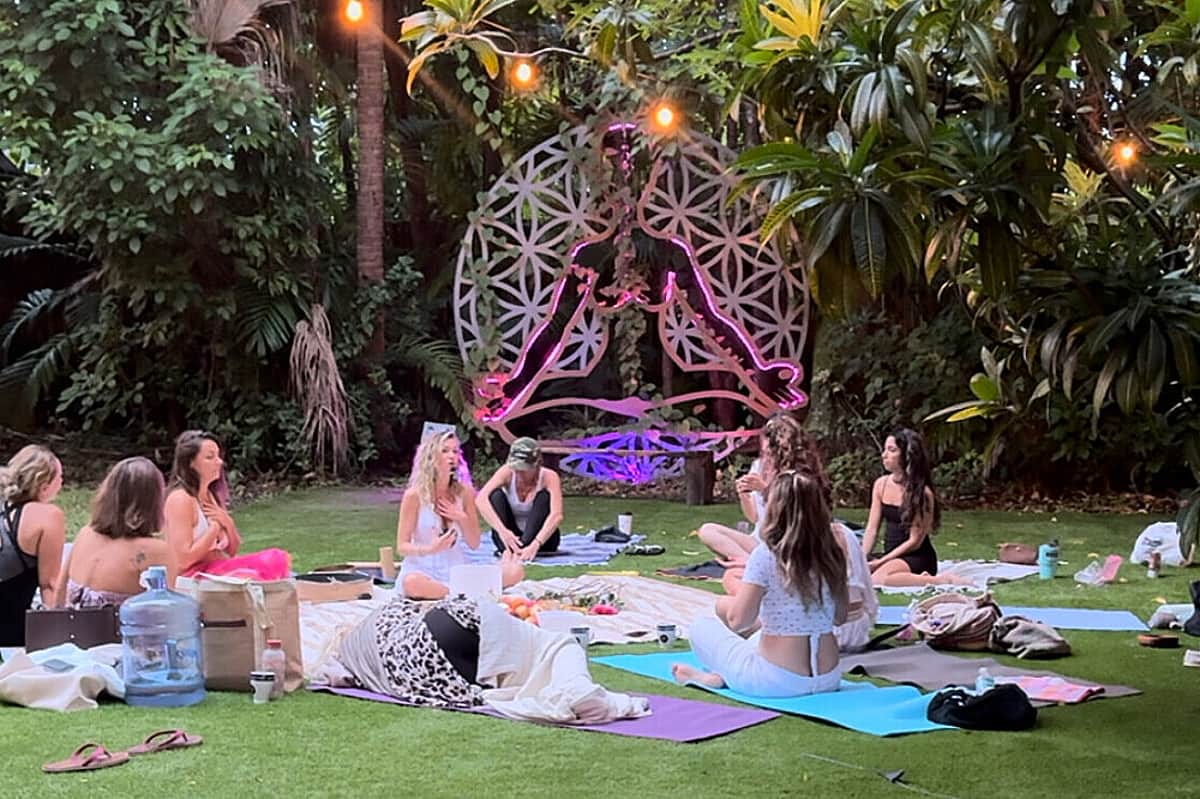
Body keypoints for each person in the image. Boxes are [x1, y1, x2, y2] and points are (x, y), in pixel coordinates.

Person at [325, 592, 649, 723]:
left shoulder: (357, 660)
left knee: (528, 663)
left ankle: (573, 688)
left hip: (434, 667)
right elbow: (417, 603)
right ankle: (578, 688)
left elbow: (336, 676)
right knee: (559, 644)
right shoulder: (384, 616)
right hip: (451, 626)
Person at [672, 470, 848, 697]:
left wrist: (722, 604)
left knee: (701, 626)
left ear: (776, 508)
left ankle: (718, 677)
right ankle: (720, 676)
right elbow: (840, 616)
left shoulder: (767, 555)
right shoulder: (833, 552)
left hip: (776, 681)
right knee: (759, 636)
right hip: (829, 678)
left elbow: (738, 621)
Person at [397, 431, 523, 599]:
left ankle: (461, 591)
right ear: (431, 456)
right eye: (445, 451)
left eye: (455, 451)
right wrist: (431, 548)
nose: (452, 456)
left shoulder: (464, 492)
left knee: (517, 572)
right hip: (422, 569)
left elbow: (474, 543)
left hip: (456, 569)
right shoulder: (414, 496)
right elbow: (402, 546)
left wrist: (461, 517)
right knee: (412, 583)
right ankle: (468, 592)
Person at [698, 413, 828, 571]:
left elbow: (793, 512)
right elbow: (754, 517)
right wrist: (744, 495)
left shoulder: (798, 474)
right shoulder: (759, 466)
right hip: (760, 541)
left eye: (770, 450)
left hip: (789, 542)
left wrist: (765, 489)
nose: (766, 454)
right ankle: (751, 563)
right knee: (708, 530)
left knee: (732, 580)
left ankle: (754, 565)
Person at [164, 430, 289, 580]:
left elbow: (232, 550)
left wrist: (227, 522)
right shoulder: (181, 499)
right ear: (190, 463)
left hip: (217, 567)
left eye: (218, 456)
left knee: (276, 559)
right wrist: (215, 528)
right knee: (270, 562)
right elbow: (183, 561)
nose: (220, 462)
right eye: (210, 457)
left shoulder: (210, 495)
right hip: (192, 578)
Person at [56, 457, 176, 608]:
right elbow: (166, 612)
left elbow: (59, 595)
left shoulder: (85, 534)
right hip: (115, 630)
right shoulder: (154, 551)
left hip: (68, 628)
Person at [861, 428, 969, 588]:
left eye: (891, 450)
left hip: (916, 556)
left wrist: (880, 563)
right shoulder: (880, 484)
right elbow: (872, 528)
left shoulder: (921, 493)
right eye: (885, 449)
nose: (884, 455)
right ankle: (899, 573)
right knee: (856, 572)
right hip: (892, 556)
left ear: (906, 456)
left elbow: (915, 542)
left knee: (877, 579)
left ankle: (940, 580)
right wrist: (861, 559)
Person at [0, 445, 66, 644]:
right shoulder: (47, 516)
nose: (62, 482)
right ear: (44, 485)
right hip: (10, 633)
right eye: (60, 477)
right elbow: (50, 585)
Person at [477, 437, 564, 561]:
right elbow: (481, 499)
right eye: (516, 468)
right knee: (495, 495)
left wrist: (536, 543)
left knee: (544, 497)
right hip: (510, 536)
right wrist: (503, 531)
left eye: (524, 469)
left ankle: (524, 546)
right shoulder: (506, 472)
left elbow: (557, 515)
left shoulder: (549, 477)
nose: (518, 472)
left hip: (541, 540)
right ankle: (512, 548)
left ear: (536, 465)